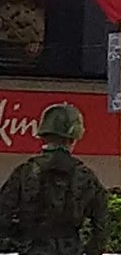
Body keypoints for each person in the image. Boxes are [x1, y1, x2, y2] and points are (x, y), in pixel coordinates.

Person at [0, 102, 108, 255]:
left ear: (43, 136)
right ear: (74, 138)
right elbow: (102, 223)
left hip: (32, 249)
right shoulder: (84, 175)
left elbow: (3, 213)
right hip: (69, 249)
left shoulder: (25, 172)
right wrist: (90, 250)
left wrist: (16, 241)